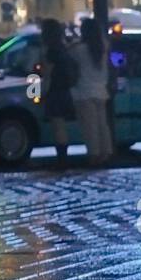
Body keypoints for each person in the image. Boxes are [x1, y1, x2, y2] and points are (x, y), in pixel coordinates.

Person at [69, 17, 112, 166]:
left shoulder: (79, 50)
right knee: (102, 124)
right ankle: (105, 152)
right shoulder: (103, 46)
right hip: (101, 90)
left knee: (90, 127)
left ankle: (93, 154)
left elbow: (69, 53)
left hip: (84, 91)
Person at [38, 19, 78, 169]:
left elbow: (46, 75)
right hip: (65, 89)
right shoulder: (63, 48)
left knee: (58, 126)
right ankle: (63, 158)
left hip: (54, 91)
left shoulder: (49, 51)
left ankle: (62, 160)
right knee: (60, 126)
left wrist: (39, 93)